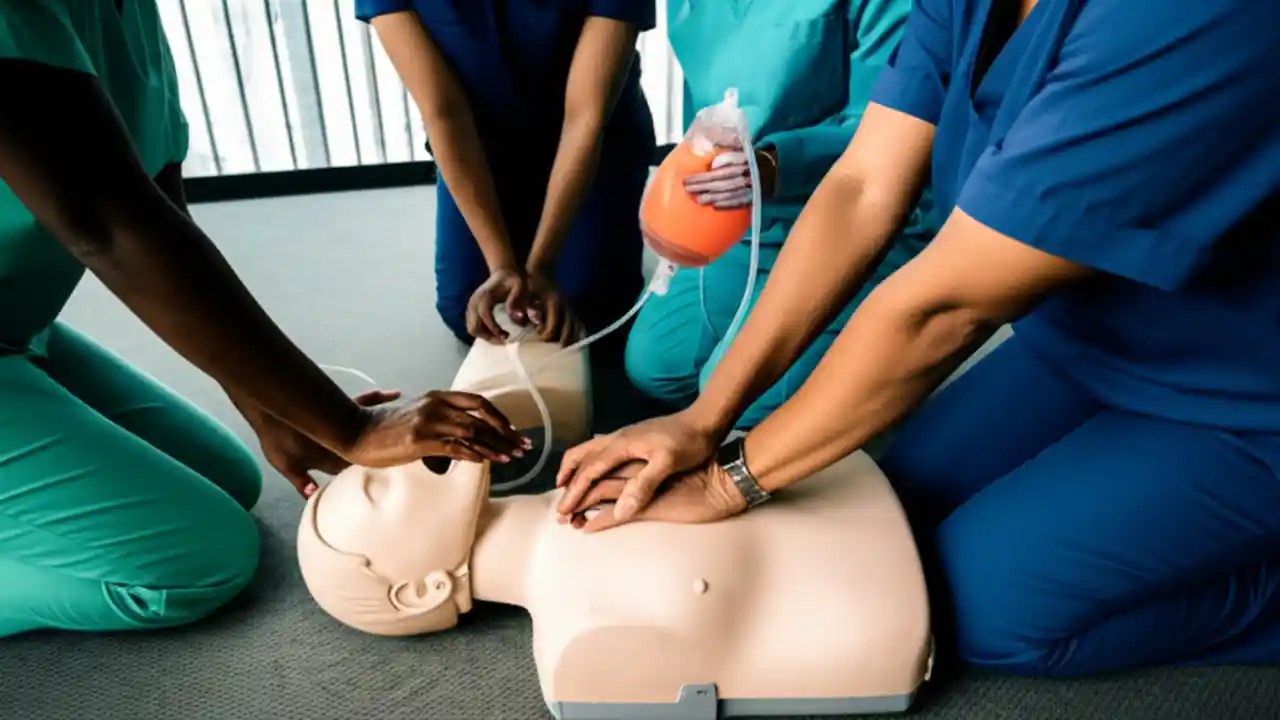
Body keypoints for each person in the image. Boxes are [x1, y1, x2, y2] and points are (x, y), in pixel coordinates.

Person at [555, 0, 1280, 677]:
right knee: (893, 507)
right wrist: (703, 420)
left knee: (978, 609)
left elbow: (947, 307)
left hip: (1245, 385)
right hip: (1092, 337)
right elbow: (864, 185)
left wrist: (729, 478)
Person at [0, 0, 525, 638]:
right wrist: (350, 428)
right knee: (196, 565)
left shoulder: (125, 13)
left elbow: (155, 203)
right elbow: (106, 226)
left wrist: (271, 406)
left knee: (231, 476)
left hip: (19, 325)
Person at [623, 0, 938, 428]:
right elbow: (710, 103)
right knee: (656, 367)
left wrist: (773, 166)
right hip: (748, 216)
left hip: (858, 218)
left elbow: (887, 138)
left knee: (734, 395)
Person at [358, 0, 656, 347]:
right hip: (481, 145)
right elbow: (445, 114)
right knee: (470, 311)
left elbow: (585, 118)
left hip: (595, 148)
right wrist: (500, 263)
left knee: (588, 307)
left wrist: (541, 264)